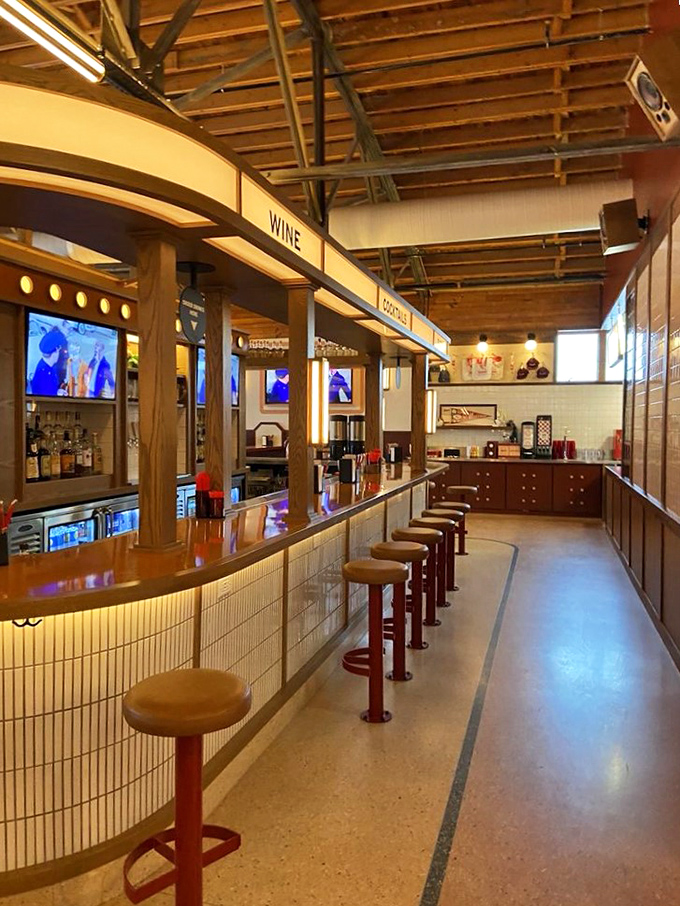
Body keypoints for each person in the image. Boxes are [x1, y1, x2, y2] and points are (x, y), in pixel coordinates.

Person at [30, 328, 67, 396]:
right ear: (56, 351)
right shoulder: (44, 374)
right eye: (59, 350)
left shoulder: (46, 365)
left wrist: (58, 392)